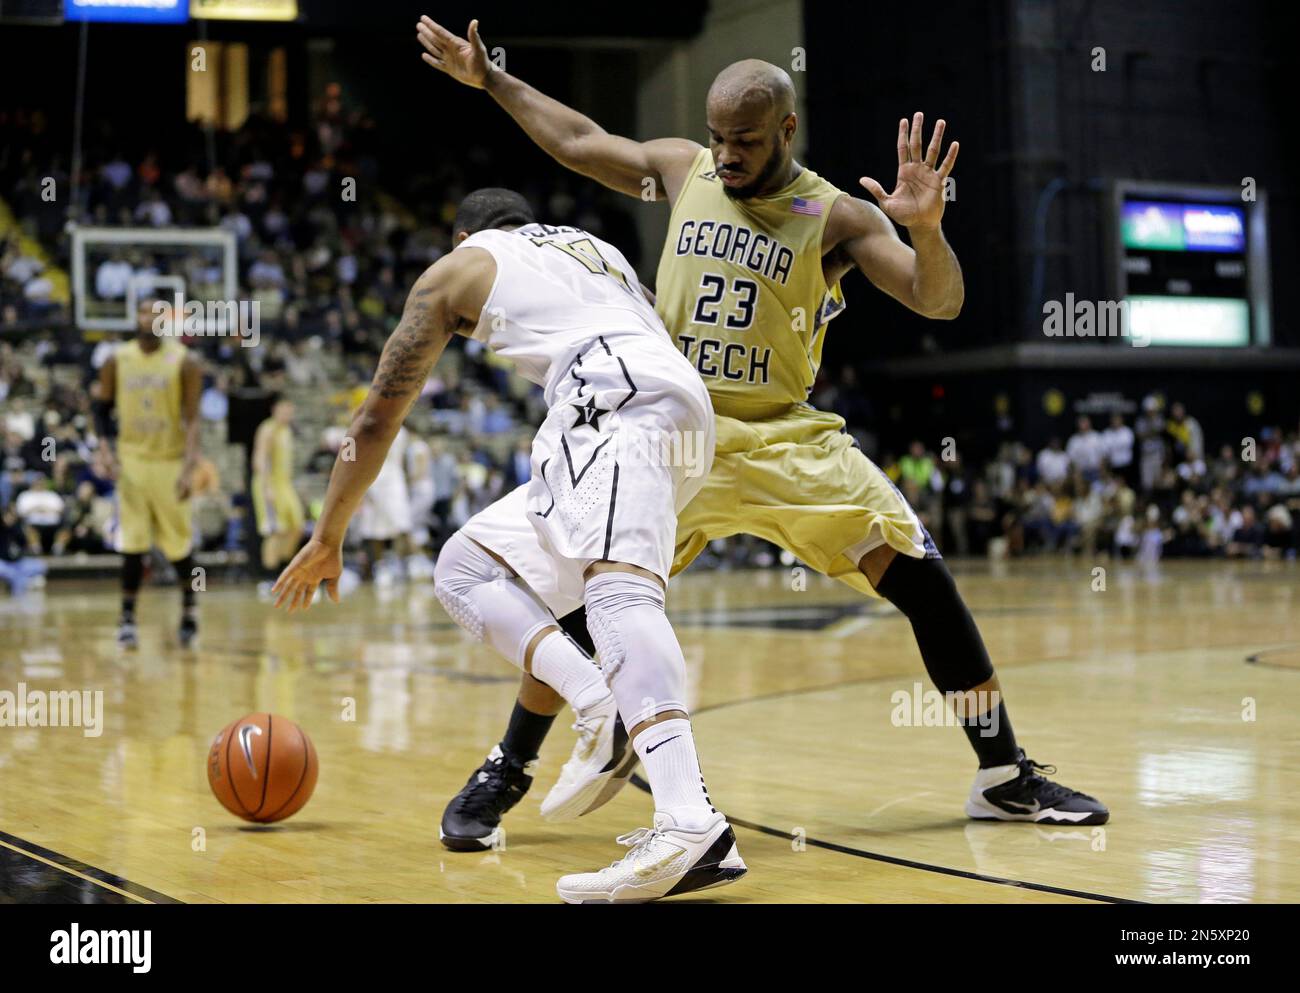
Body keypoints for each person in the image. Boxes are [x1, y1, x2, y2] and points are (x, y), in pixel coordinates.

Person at [417, 17, 1108, 830]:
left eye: (745, 140)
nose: (729, 154)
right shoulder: (685, 170)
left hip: (785, 438)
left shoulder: (836, 214)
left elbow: (938, 299)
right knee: (578, 603)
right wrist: (491, 80)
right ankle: (510, 765)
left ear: (787, 128)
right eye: (719, 137)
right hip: (671, 433)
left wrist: (926, 231)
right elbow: (578, 139)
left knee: (924, 579)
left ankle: (1004, 775)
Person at [271, 188, 744, 903]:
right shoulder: (598, 252)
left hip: (609, 397)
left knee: (616, 596)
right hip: (674, 404)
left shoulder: (455, 270)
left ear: (463, 234)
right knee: (465, 566)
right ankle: (594, 698)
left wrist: (329, 533)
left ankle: (689, 821)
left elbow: (372, 422)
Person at [96, 299, 203, 649]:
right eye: (145, 312)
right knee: (133, 543)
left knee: (178, 545)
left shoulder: (184, 361)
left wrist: (189, 466)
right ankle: (126, 618)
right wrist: (105, 450)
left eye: (158, 313)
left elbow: (193, 419)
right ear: (136, 317)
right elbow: (101, 410)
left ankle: (189, 611)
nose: (150, 318)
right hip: (132, 461)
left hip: (170, 461)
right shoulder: (117, 359)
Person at [251, 396, 306, 581]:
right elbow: (260, 459)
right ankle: (269, 579)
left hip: (285, 485)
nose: (287, 414)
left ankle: (283, 570)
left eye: (290, 411)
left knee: (297, 527)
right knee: (275, 531)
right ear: (275, 410)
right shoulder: (268, 429)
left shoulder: (286, 431)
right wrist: (267, 487)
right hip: (269, 484)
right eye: (284, 410)